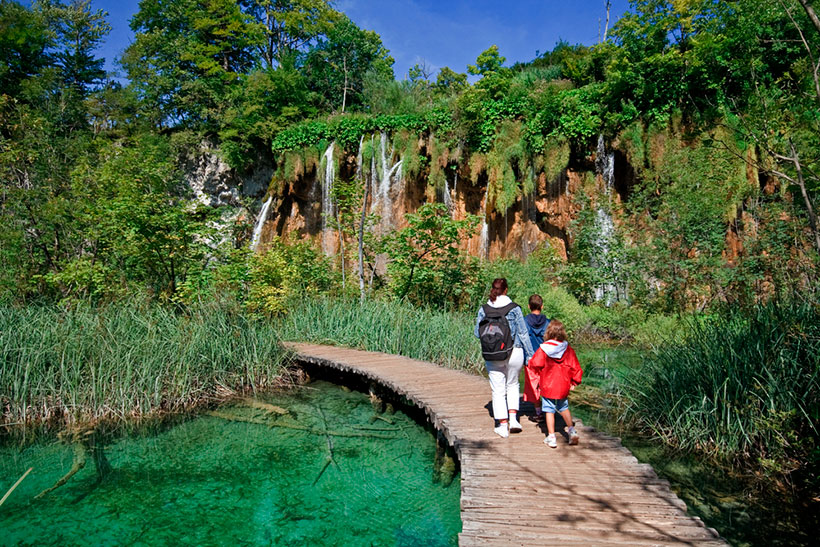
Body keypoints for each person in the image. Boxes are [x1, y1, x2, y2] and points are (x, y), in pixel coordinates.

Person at [474, 278, 534, 438]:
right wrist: (531, 356)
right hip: (514, 351)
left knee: (498, 390)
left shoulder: (484, 309)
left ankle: (502, 425)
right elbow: (523, 333)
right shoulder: (514, 308)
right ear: (506, 290)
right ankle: (514, 420)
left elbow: (476, 332)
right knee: (513, 384)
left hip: (493, 355)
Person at [527, 319, 583, 448]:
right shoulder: (567, 349)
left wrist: (535, 370)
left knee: (549, 410)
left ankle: (551, 437)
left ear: (548, 332)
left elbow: (535, 364)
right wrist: (574, 381)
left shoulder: (544, 349)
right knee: (564, 407)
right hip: (563, 384)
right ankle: (571, 430)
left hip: (548, 385)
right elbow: (576, 367)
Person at [522, 294, 549, 422]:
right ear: (542, 306)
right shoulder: (548, 323)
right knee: (545, 384)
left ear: (528, 306)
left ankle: (538, 412)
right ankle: (548, 410)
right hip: (545, 359)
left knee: (533, 385)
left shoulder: (524, 322)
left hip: (530, 359)